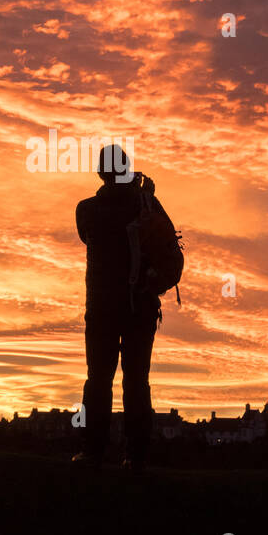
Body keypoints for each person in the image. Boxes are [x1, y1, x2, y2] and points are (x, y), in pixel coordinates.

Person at [71, 145, 169, 472]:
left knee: (99, 380)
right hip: (138, 307)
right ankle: (136, 457)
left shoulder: (87, 209)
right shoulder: (145, 204)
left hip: (103, 309)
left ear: (101, 173)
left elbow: (91, 234)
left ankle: (93, 452)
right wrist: (145, 199)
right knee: (135, 381)